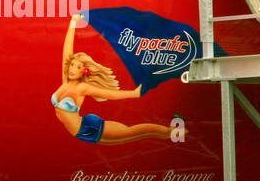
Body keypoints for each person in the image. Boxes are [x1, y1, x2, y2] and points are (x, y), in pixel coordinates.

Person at [52, 14, 173, 145]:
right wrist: (73, 23)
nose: (72, 69)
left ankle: (170, 131)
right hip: (83, 128)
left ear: (84, 71)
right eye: (72, 65)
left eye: (78, 67)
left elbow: (108, 94)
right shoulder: (67, 81)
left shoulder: (82, 87)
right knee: (131, 133)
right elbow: (67, 51)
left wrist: (134, 94)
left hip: (88, 129)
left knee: (132, 132)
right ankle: (169, 132)